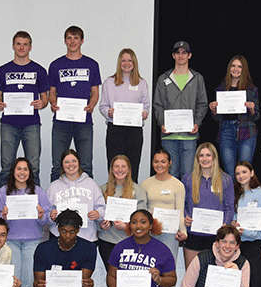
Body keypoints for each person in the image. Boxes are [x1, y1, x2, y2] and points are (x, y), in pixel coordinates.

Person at [0, 157, 50, 287]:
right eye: (18, 169)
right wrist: (2, 216)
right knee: (12, 282)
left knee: (27, 284)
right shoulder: (4, 192)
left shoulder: (38, 192)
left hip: (33, 241)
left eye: (25, 169)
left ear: (30, 173)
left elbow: (46, 220)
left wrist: (41, 214)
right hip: (10, 241)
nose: (22, 172)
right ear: (13, 172)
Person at [0, 31, 50, 187]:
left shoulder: (39, 70)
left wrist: (42, 103)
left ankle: (36, 203)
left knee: (34, 167)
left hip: (31, 124)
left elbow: (45, 98)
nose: (21, 47)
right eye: (18, 44)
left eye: (25, 44)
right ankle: (3, 206)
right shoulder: (2, 70)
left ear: (30, 47)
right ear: (13, 46)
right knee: (6, 167)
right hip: (8, 124)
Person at [140, 149, 186, 287]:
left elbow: (181, 209)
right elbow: (143, 211)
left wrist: (182, 231)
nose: (159, 165)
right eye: (156, 161)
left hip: (169, 235)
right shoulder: (146, 183)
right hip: (150, 234)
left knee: (167, 274)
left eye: (163, 161)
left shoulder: (177, 185)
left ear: (169, 163)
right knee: (146, 272)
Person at [48, 26, 101, 182]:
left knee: (86, 165)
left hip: (83, 122)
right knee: (58, 166)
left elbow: (95, 92)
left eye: (76, 38)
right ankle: (54, 202)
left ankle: (88, 201)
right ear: (65, 41)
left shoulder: (92, 64)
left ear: (82, 41)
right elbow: (52, 92)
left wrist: (91, 105)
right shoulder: (56, 65)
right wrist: (53, 103)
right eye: (69, 38)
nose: (72, 41)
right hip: (61, 123)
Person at [152, 41, 209, 180]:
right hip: (169, 137)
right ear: (173, 55)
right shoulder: (163, 79)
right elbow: (157, 104)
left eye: (184, 52)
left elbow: (202, 103)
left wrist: (197, 122)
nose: (181, 55)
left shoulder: (197, 79)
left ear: (189, 55)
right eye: (178, 52)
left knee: (188, 176)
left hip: (189, 136)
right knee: (170, 175)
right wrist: (162, 123)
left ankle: (186, 203)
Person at [98, 48, 150, 181]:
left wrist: (144, 113)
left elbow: (146, 105)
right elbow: (102, 106)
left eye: (130, 60)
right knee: (114, 167)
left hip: (134, 131)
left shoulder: (142, 83)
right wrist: (108, 112)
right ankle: (114, 198)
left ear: (134, 63)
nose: (126, 63)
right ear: (119, 63)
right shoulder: (109, 82)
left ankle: (131, 198)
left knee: (133, 167)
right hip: (115, 130)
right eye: (123, 61)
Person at [182, 143, 235, 267]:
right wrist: (185, 217)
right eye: (201, 155)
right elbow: (182, 204)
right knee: (191, 276)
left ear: (214, 158)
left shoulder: (225, 179)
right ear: (197, 159)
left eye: (208, 155)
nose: (204, 159)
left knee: (214, 277)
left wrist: (225, 225)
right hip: (193, 234)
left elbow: (229, 206)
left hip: (216, 236)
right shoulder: (188, 178)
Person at [210, 55, 260, 174]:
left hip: (247, 131)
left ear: (244, 69)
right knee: (230, 173)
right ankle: (232, 193)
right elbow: (216, 118)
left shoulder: (252, 89)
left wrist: (253, 109)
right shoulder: (221, 88)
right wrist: (213, 110)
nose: (236, 69)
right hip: (226, 131)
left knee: (244, 171)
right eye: (233, 66)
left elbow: (256, 117)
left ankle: (244, 193)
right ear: (229, 68)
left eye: (239, 66)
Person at [98, 155, 148, 267]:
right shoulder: (101, 190)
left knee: (126, 278)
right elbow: (96, 215)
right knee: (112, 277)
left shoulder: (138, 191)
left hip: (130, 241)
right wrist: (100, 224)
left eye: (123, 166)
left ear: (129, 170)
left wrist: (127, 227)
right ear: (111, 170)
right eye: (116, 166)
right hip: (107, 241)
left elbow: (143, 220)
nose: (120, 170)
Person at [47, 149, 106, 244]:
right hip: (59, 238)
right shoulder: (53, 187)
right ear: (62, 165)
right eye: (66, 162)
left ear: (79, 163)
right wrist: (51, 216)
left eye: (74, 161)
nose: (71, 164)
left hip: (87, 238)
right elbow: (46, 214)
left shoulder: (91, 184)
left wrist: (98, 213)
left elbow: (102, 208)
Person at [231, 161, 261, 262]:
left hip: (256, 245)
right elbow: (233, 217)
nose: (241, 176)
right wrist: (233, 224)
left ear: (252, 173)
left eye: (244, 172)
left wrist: (245, 232)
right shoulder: (234, 194)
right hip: (237, 245)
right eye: (237, 173)